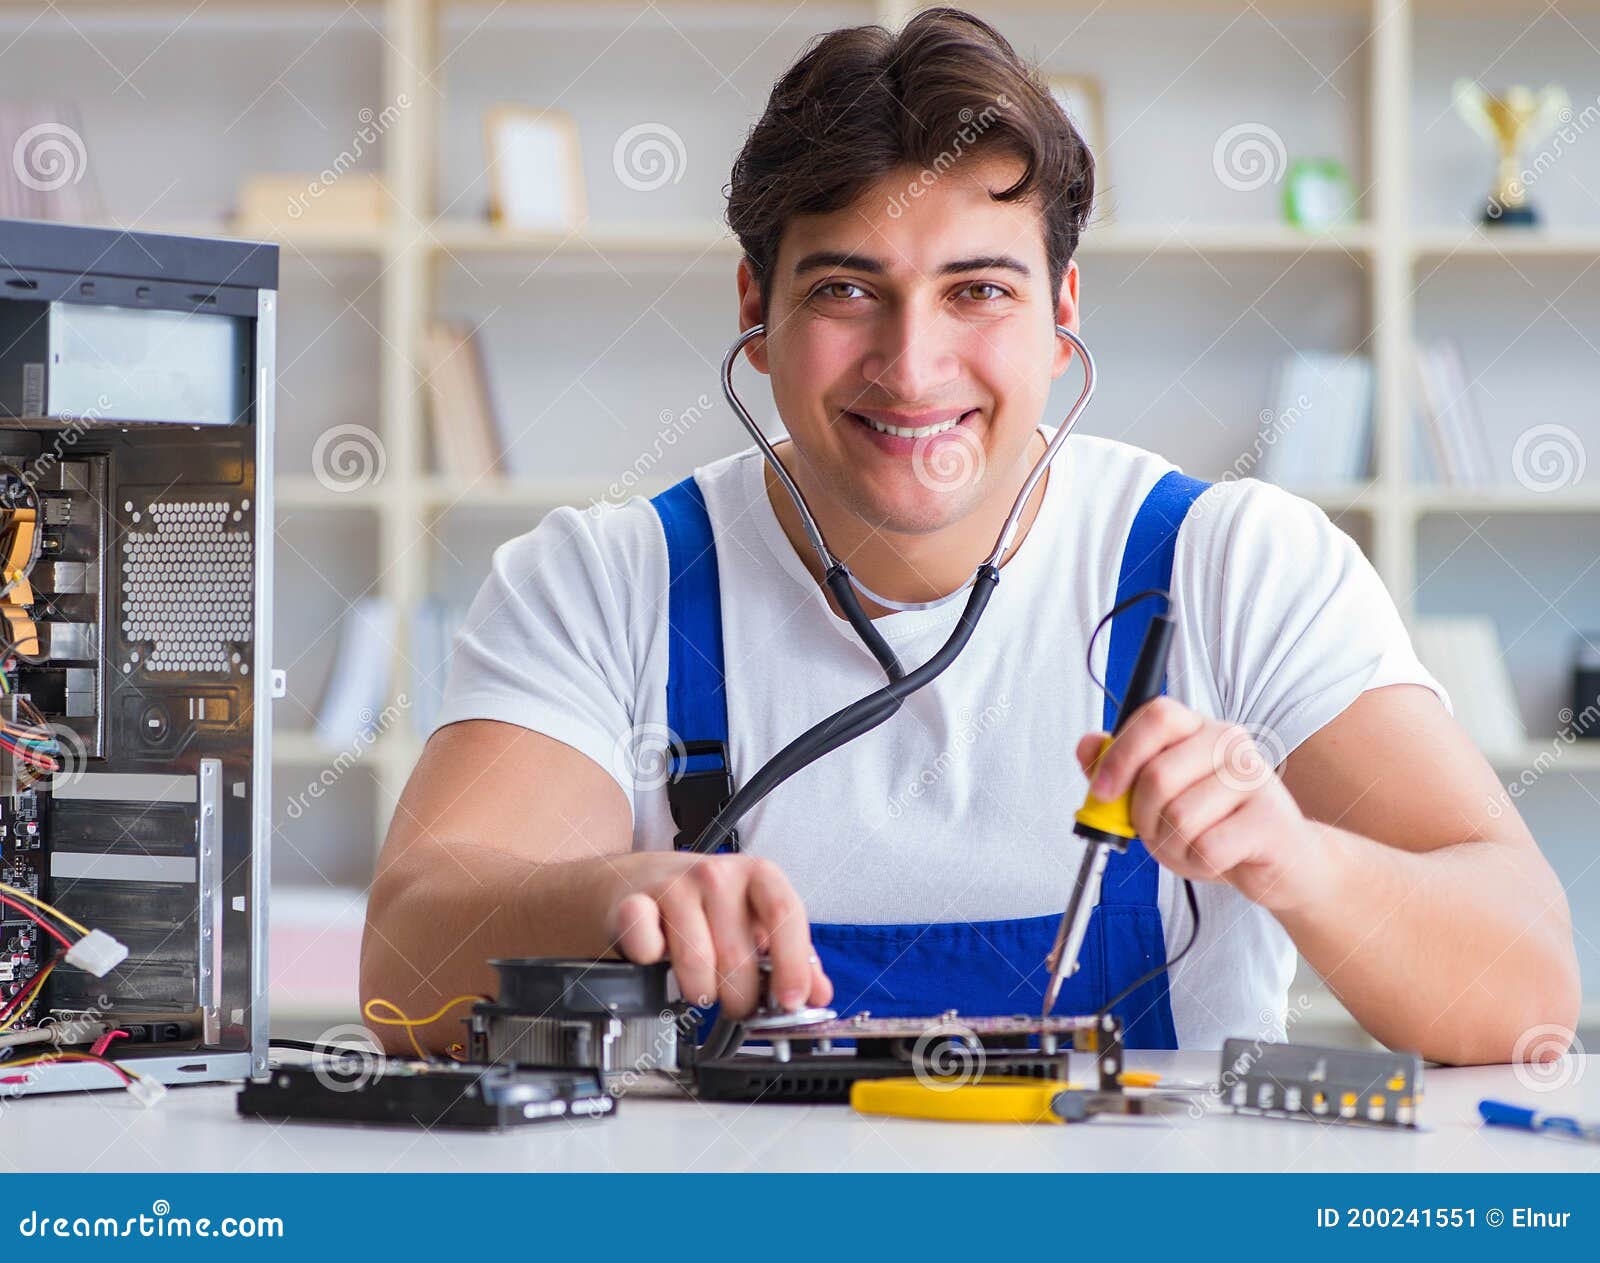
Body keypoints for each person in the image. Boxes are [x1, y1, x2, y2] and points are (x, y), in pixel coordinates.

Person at [360, 7, 1578, 1060]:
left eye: (977, 291)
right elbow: (401, 975)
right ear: (756, 308)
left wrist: (1301, 862)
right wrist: (609, 893)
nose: (912, 364)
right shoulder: (606, 581)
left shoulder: (1239, 566)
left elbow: (1524, 993)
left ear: (1061, 314)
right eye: (845, 289)